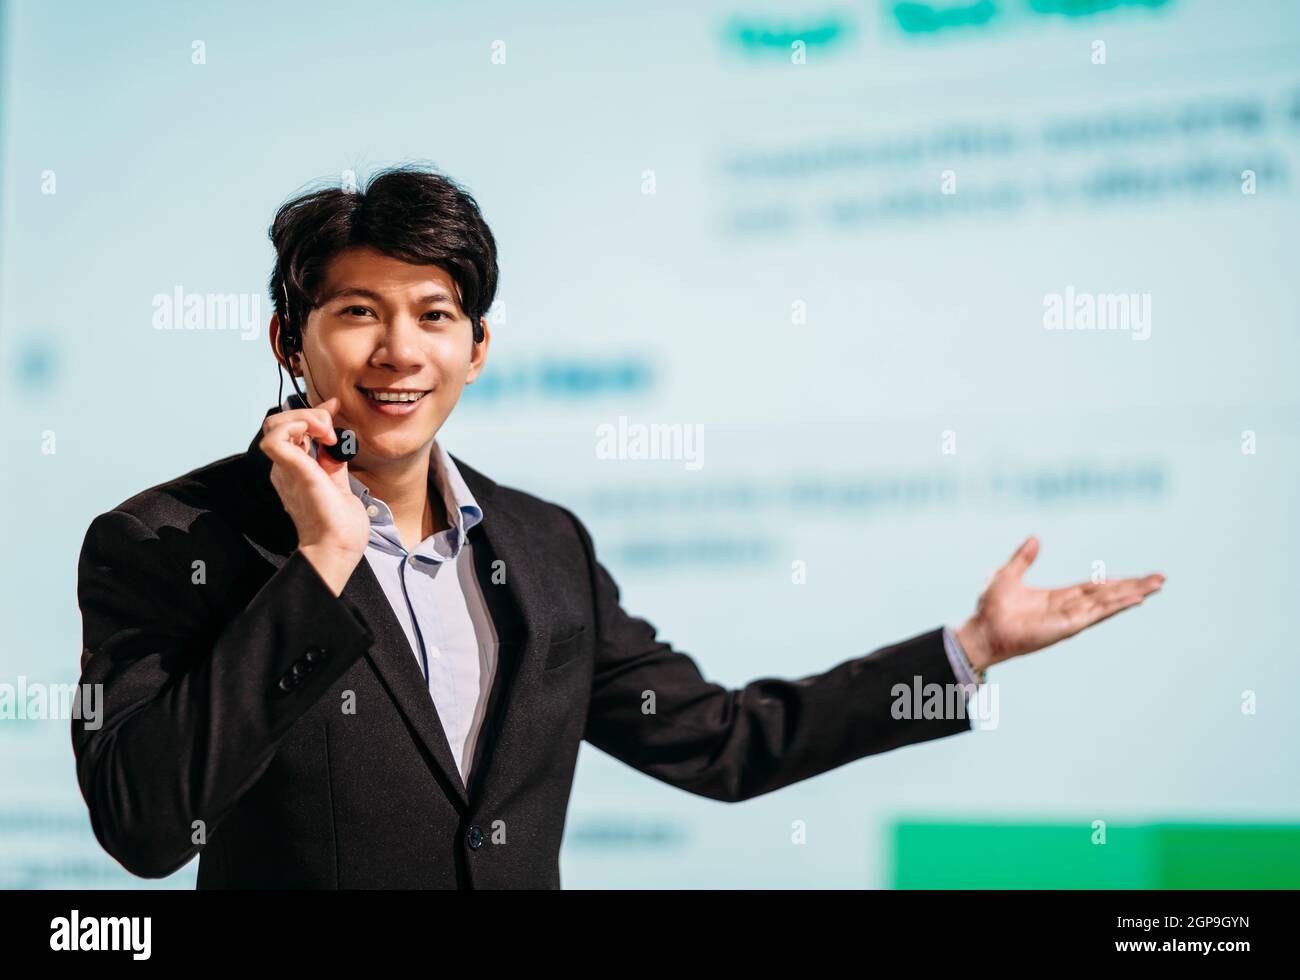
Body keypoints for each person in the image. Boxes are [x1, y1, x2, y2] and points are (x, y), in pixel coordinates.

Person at [72, 166, 1165, 888]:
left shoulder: (542, 548)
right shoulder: (166, 540)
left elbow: (726, 741)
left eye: (435, 314)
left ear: (478, 346)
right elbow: (146, 826)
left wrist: (964, 652)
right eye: (359, 312)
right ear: (290, 339)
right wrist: (318, 563)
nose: (399, 350)